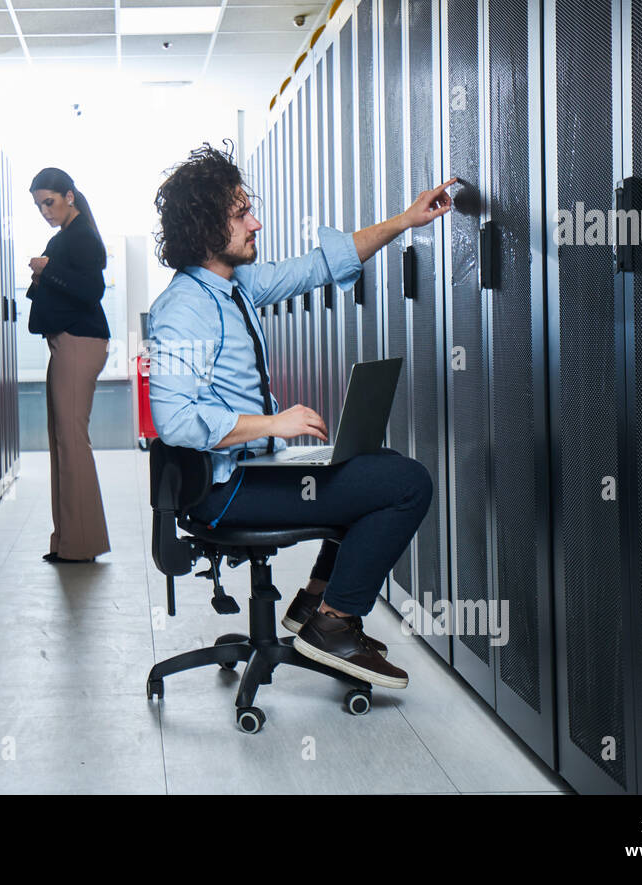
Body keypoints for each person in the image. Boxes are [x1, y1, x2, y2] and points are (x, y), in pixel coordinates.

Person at [146, 142, 456, 689]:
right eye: (241, 214)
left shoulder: (231, 288)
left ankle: (313, 604)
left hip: (249, 472)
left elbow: (317, 267)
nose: (255, 222)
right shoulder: (184, 308)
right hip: (225, 490)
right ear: (204, 229)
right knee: (406, 483)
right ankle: (333, 624)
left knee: (369, 464)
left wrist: (407, 221)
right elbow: (172, 418)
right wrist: (273, 424)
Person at [26, 168, 111, 563]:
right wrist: (42, 274)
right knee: (62, 441)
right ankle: (66, 540)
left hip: (80, 342)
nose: (45, 210)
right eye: (39, 204)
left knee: (72, 442)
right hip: (65, 342)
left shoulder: (82, 236)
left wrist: (47, 270)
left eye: (50, 201)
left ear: (69, 196)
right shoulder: (62, 238)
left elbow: (92, 289)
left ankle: (81, 544)